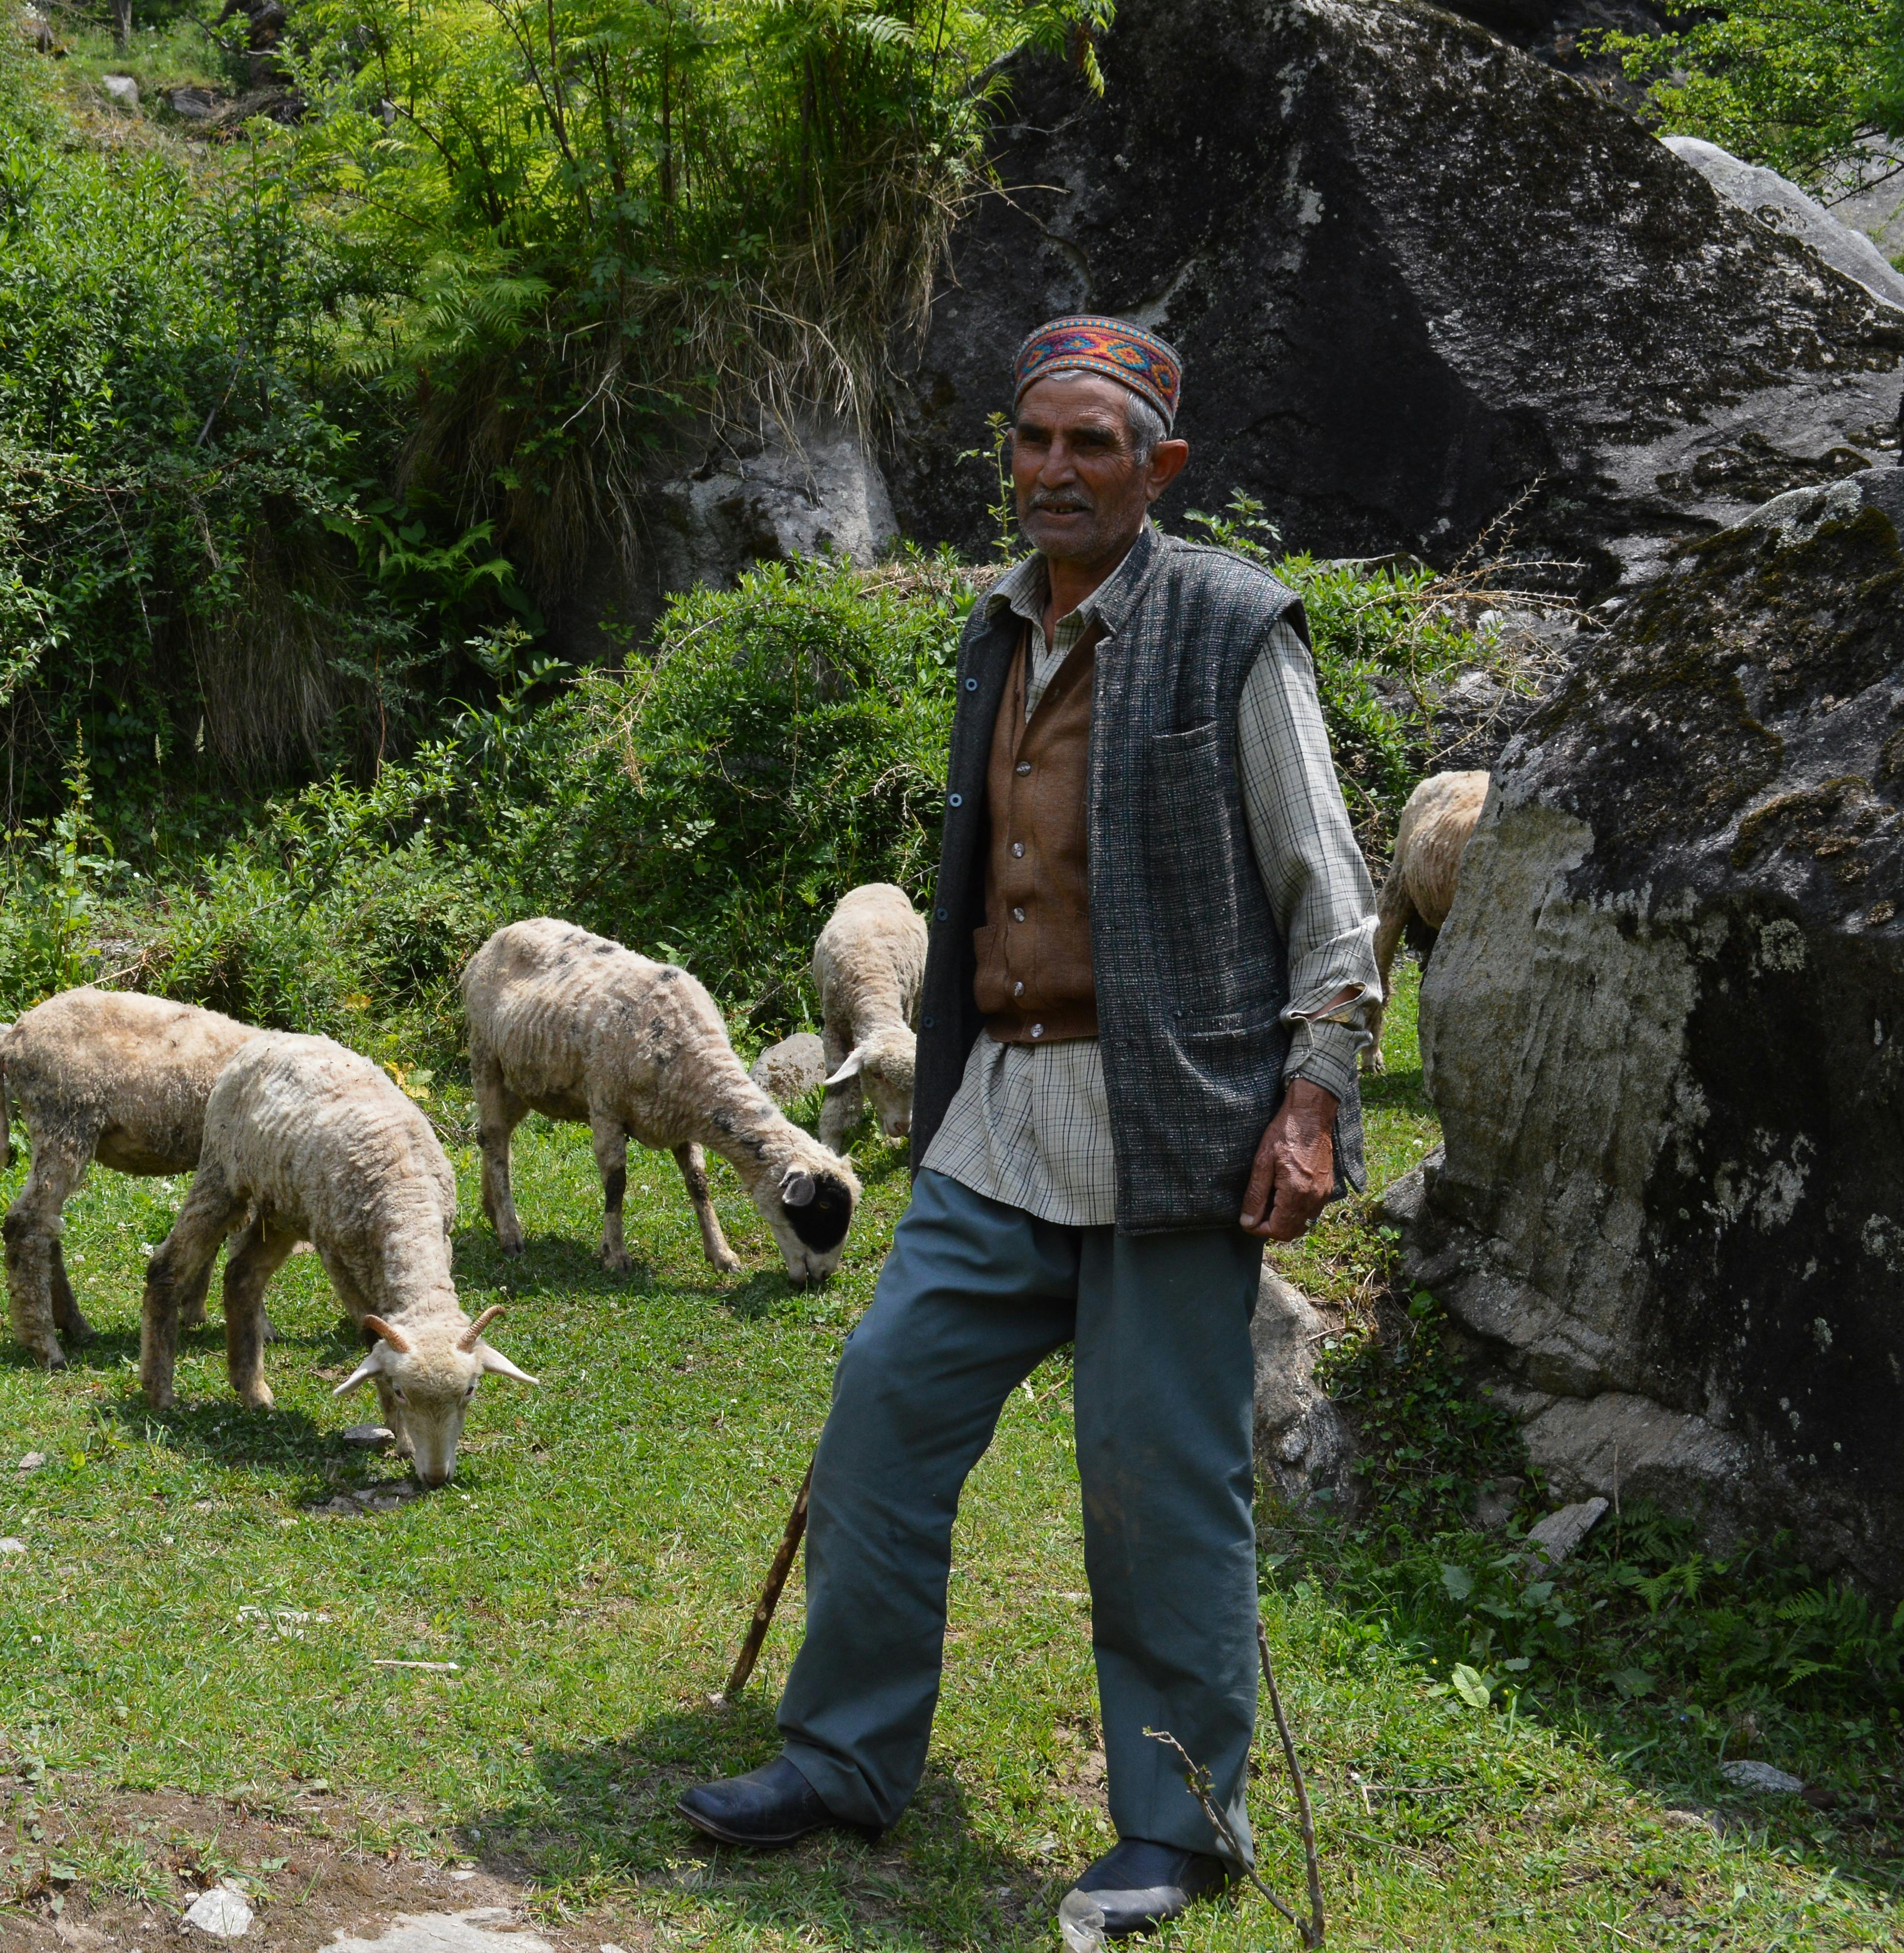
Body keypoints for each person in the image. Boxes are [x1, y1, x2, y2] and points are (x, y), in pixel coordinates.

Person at [675, 316, 1379, 1940]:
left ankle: (1177, 1827)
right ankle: (845, 1760)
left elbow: (1329, 896)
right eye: (1034, 441)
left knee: (1155, 1491)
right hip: (996, 1118)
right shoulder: (998, 627)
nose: (1056, 470)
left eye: (1095, 445)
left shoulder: (1231, 628)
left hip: (1173, 1132)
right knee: (880, 1417)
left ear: (1162, 469)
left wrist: (1313, 1101)